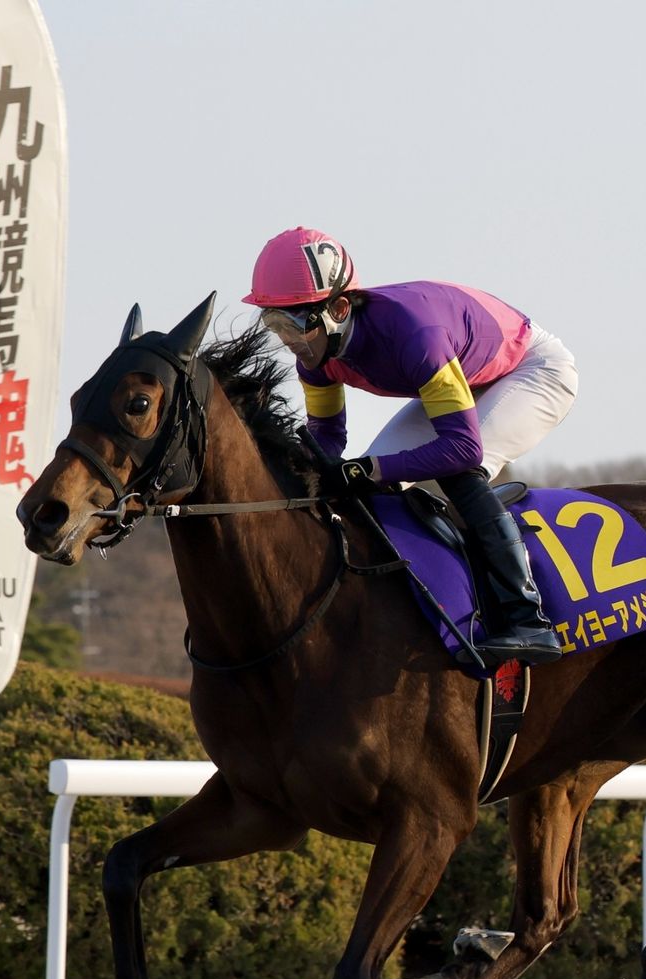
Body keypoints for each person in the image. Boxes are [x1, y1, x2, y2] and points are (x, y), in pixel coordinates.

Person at [242, 227, 577, 664]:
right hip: (462, 373)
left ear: (340, 307)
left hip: (530, 370)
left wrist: (365, 468)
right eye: (274, 323)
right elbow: (327, 439)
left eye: (294, 323)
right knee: (370, 492)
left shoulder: (414, 335)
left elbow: (462, 450)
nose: (288, 340)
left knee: (459, 474)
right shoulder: (317, 354)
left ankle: (528, 620)